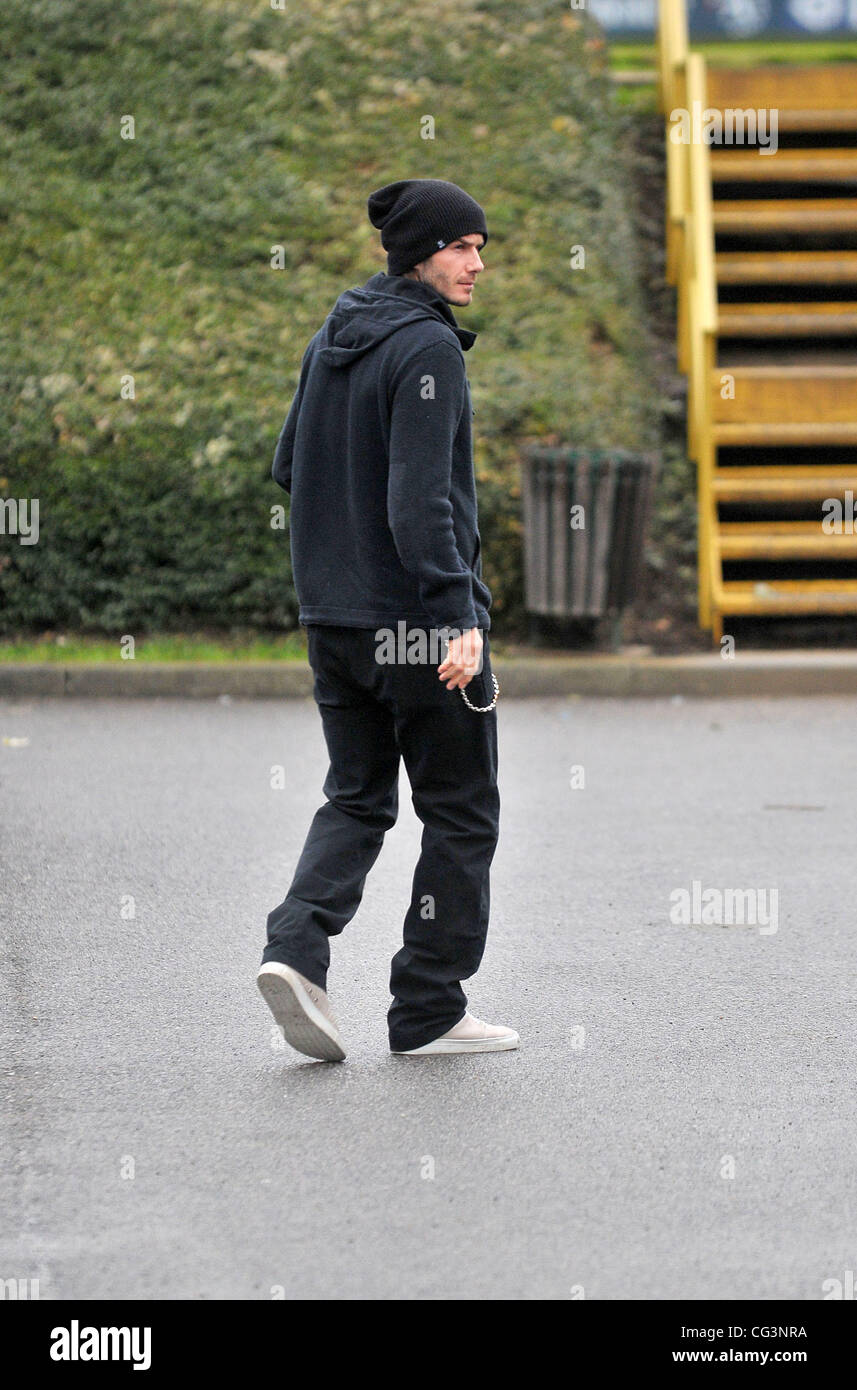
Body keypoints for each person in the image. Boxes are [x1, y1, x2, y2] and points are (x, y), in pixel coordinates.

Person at [256, 179, 518, 1061]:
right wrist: (457, 618)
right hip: (414, 626)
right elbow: (417, 504)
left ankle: (294, 951)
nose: (476, 263)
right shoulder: (427, 351)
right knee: (460, 812)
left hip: (333, 620)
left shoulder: (330, 339)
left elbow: (293, 468)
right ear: (418, 253)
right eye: (460, 247)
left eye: (481, 247)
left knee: (357, 797)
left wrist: (337, 581)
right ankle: (428, 1009)